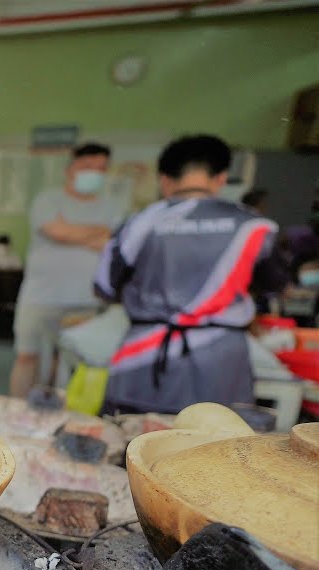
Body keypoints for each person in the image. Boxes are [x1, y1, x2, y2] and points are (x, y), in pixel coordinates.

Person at [94, 135, 289, 415]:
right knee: (215, 437)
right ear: (220, 178)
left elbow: (105, 287)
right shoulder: (255, 226)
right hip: (220, 362)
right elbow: (274, 285)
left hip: (145, 358)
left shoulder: (139, 223)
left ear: (164, 180)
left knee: (134, 435)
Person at [9, 143, 126, 396]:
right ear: (70, 168)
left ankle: (61, 413)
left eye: (101, 168)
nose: (94, 173)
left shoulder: (113, 206)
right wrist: (98, 231)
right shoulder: (47, 200)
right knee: (27, 356)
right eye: (87, 166)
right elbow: (57, 231)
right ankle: (16, 408)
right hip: (40, 296)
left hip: (88, 299)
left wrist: (72, 231)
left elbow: (112, 243)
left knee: (72, 363)